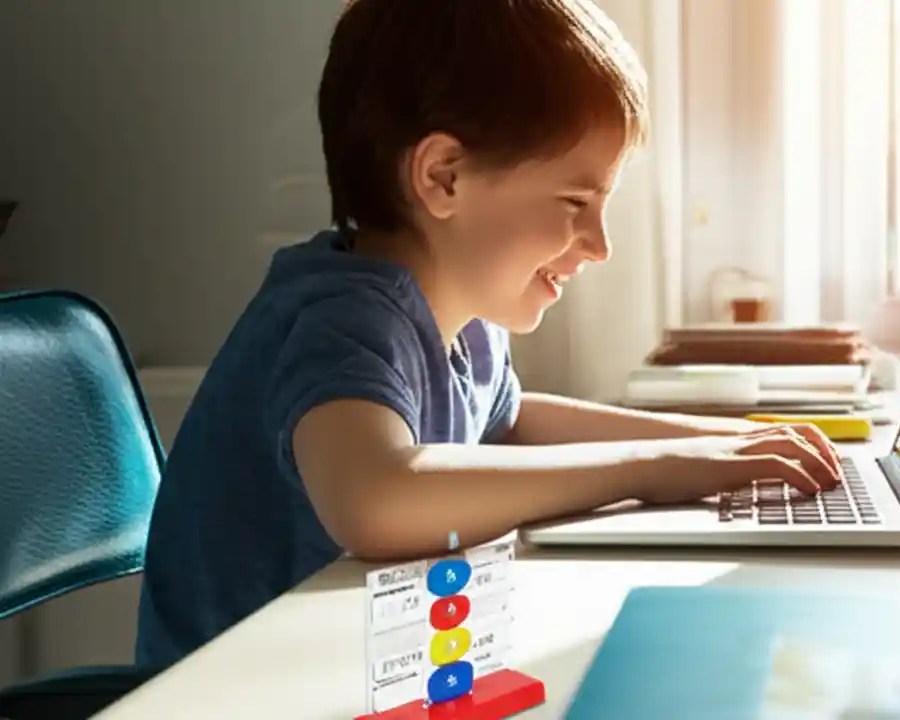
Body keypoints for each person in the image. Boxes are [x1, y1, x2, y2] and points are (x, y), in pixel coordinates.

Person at [135, 0, 843, 671]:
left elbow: (510, 424)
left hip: (337, 671)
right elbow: (376, 498)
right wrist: (652, 466)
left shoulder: (461, 326)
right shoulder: (341, 316)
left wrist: (715, 445)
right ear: (443, 177)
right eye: (575, 202)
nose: (599, 245)